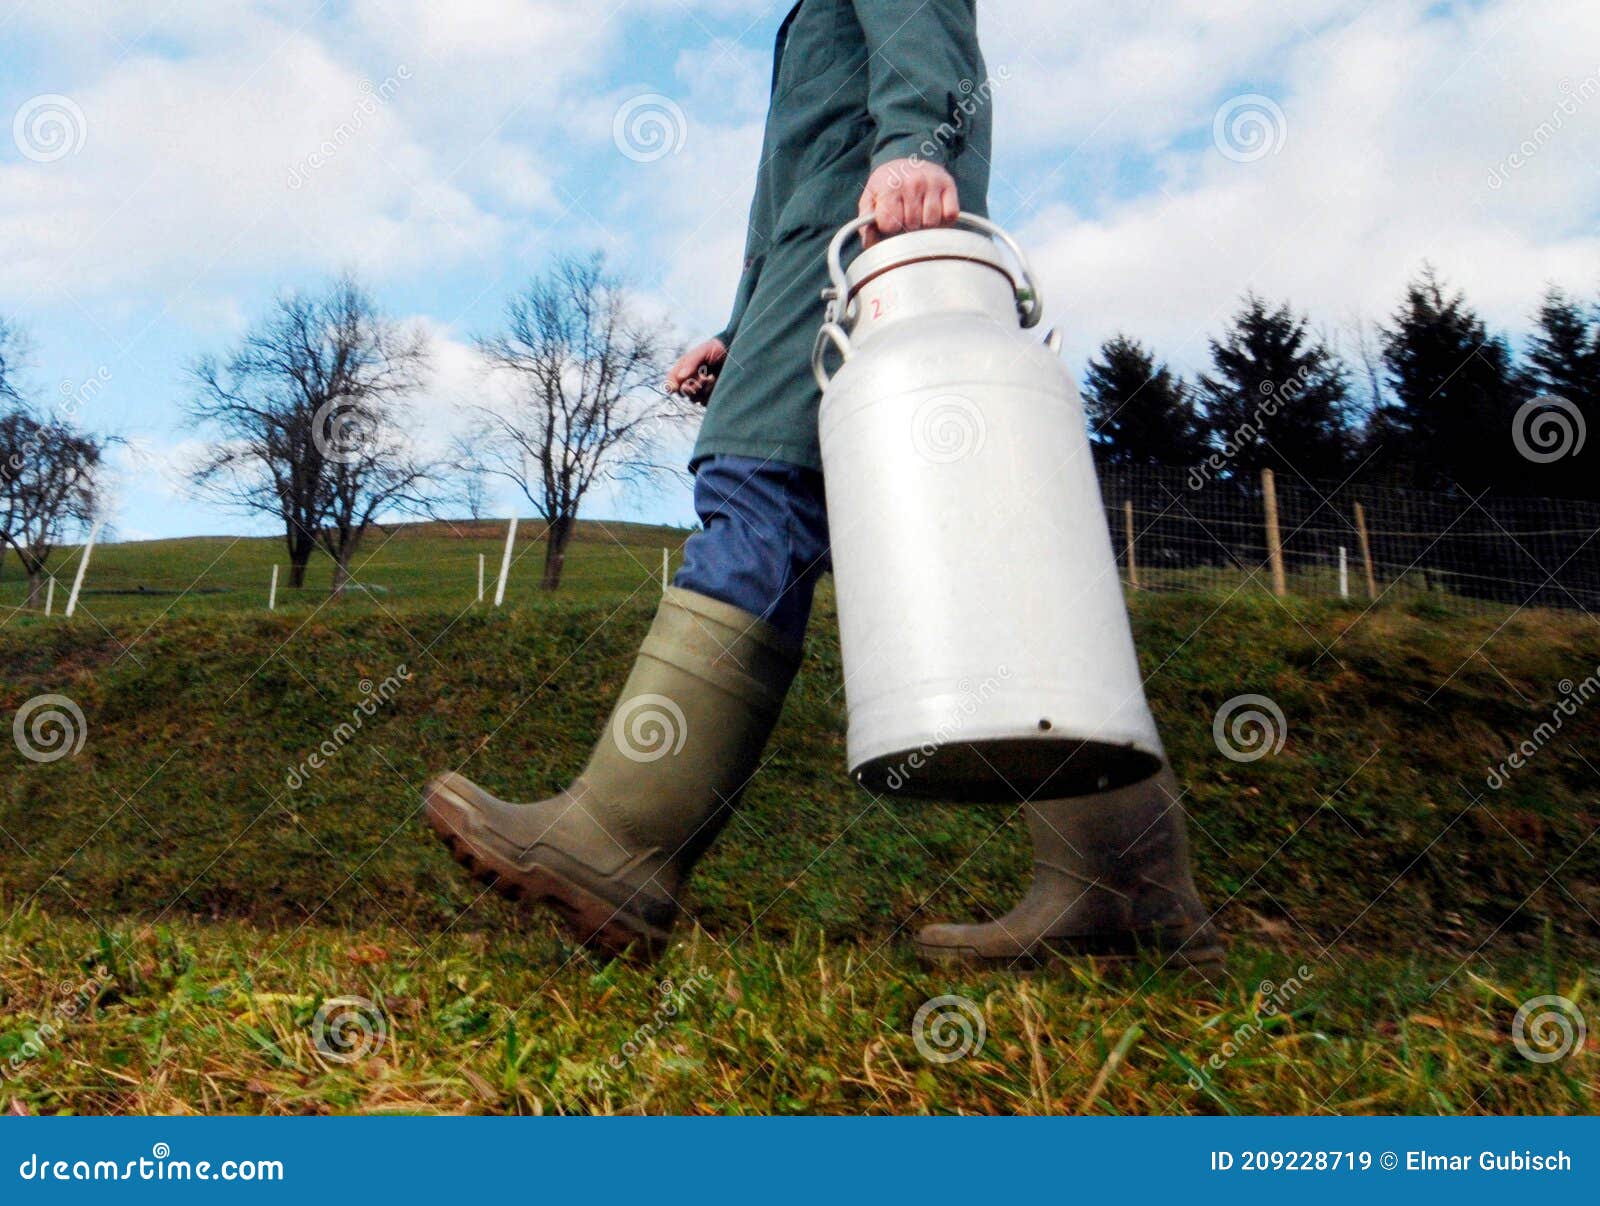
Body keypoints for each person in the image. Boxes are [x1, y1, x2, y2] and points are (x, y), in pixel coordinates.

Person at [424, 0, 1221, 971]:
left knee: (762, 499)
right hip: (810, 275)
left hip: (857, 260)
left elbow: (924, 29)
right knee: (973, 555)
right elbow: (789, 178)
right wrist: (736, 321)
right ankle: (1124, 892)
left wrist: (913, 150)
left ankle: (619, 839)